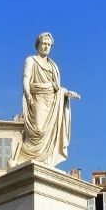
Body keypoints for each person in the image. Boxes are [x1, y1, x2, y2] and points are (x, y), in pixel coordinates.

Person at [14, 32, 81, 168]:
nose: (46, 47)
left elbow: (57, 88)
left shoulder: (53, 66)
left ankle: (45, 159)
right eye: (44, 43)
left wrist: (67, 93)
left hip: (52, 102)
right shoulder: (31, 60)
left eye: (49, 45)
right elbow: (26, 79)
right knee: (38, 130)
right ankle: (23, 157)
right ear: (38, 44)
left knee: (49, 132)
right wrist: (28, 95)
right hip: (37, 97)